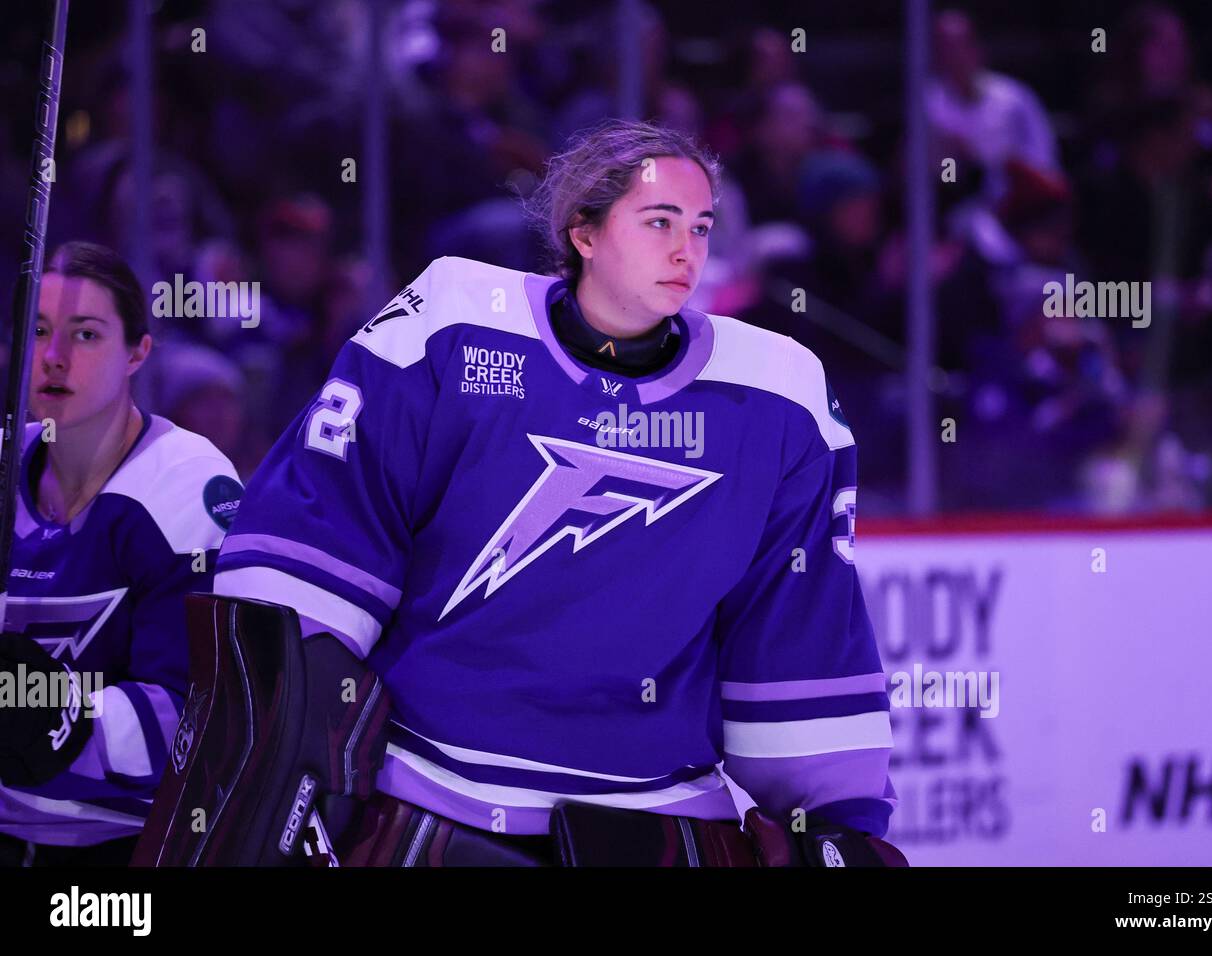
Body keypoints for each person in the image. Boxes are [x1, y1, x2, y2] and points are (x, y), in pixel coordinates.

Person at [208, 120, 898, 865]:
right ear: (585, 234)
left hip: (654, 815)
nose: (686, 251)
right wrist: (295, 753)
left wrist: (835, 821)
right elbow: (317, 547)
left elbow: (798, 630)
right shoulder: (454, 328)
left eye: (700, 228)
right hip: (430, 792)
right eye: (659, 222)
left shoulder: (776, 396)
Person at [0, 242, 243, 866]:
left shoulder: (186, 486)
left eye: (85, 335)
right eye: (39, 331)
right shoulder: (5, 465)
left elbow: (206, 716)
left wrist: (57, 714)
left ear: (137, 352)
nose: (53, 358)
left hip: (129, 849)